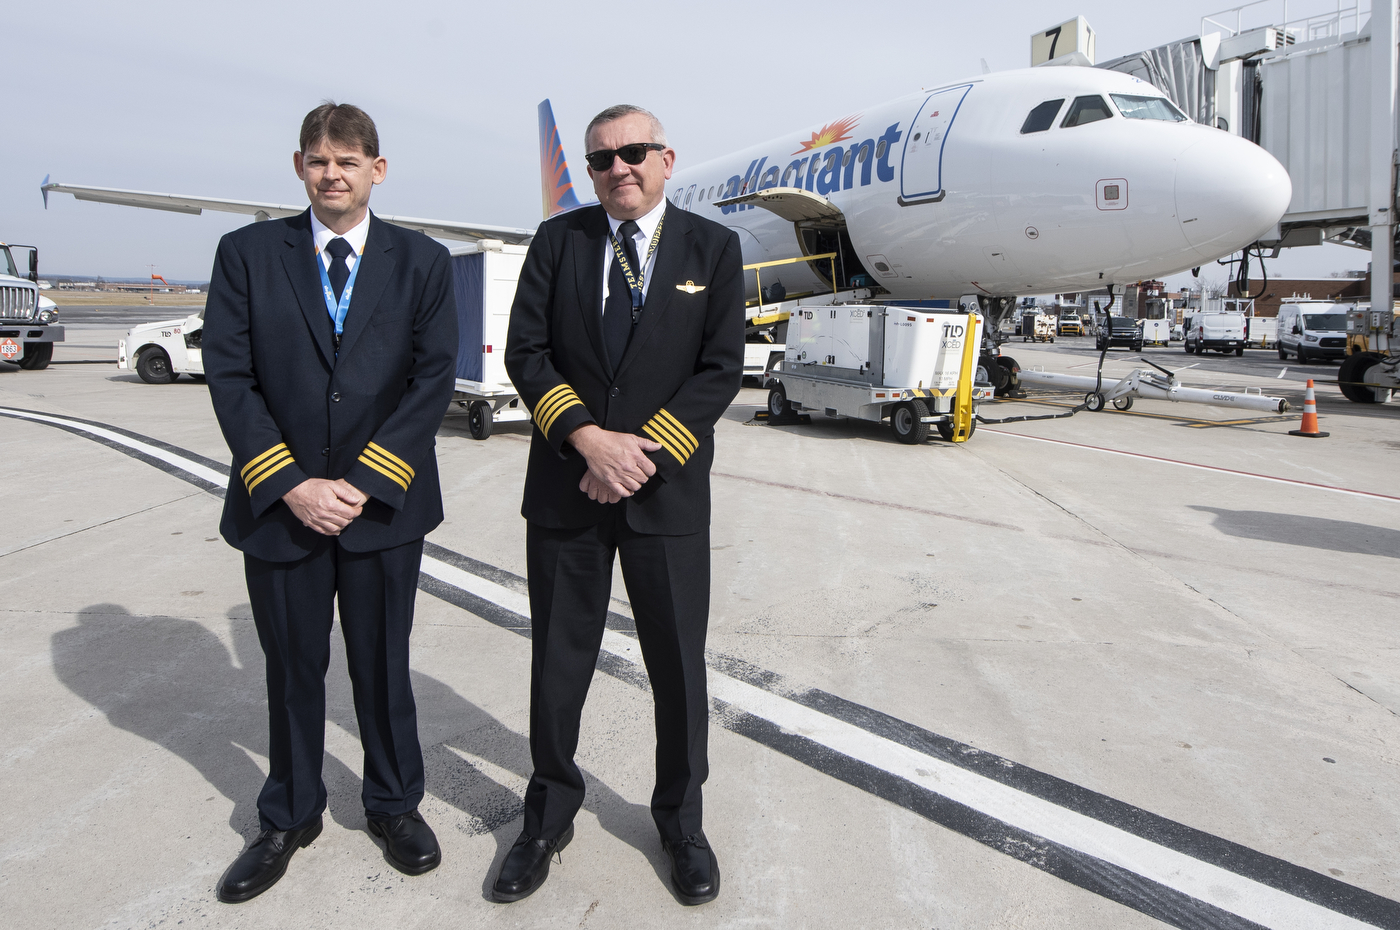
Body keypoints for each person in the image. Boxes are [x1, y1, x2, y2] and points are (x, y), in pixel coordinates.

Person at [202, 102, 458, 903]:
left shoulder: (421, 261)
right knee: (292, 670)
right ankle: (288, 813)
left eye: (348, 161)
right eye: (318, 160)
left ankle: (392, 805)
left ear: (376, 171)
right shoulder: (247, 254)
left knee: (383, 667)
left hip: (383, 510)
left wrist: (363, 483)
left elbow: (432, 378)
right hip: (282, 507)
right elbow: (230, 376)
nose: (332, 173)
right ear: (298, 168)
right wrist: (290, 484)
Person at [499, 104, 744, 905]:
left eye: (633, 153)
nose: (618, 169)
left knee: (676, 667)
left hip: (662, 493)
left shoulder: (714, 247)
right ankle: (548, 814)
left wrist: (637, 455)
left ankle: (680, 820)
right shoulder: (558, 241)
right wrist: (584, 438)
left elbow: (719, 370)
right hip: (569, 487)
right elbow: (526, 351)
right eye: (601, 159)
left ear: (667, 158)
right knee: (558, 662)